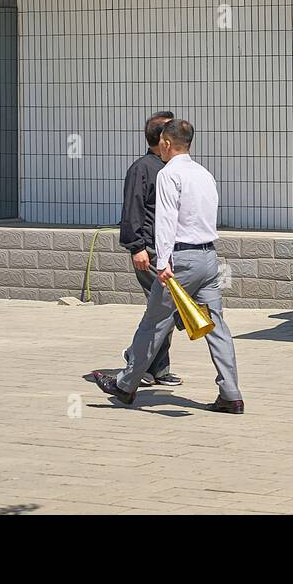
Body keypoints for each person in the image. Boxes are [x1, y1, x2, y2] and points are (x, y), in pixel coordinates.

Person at [91, 119, 244, 413]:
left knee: (154, 323)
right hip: (209, 258)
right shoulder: (204, 174)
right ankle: (231, 393)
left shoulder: (168, 174)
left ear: (167, 143)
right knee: (217, 327)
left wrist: (164, 263)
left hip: (181, 260)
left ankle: (124, 386)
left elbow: (165, 222)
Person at [117, 110, 181, 388]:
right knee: (163, 308)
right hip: (150, 250)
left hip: (170, 249)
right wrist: (137, 247)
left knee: (164, 307)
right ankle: (138, 358)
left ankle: (155, 366)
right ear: (163, 138)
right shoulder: (142, 168)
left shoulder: (170, 167)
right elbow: (133, 209)